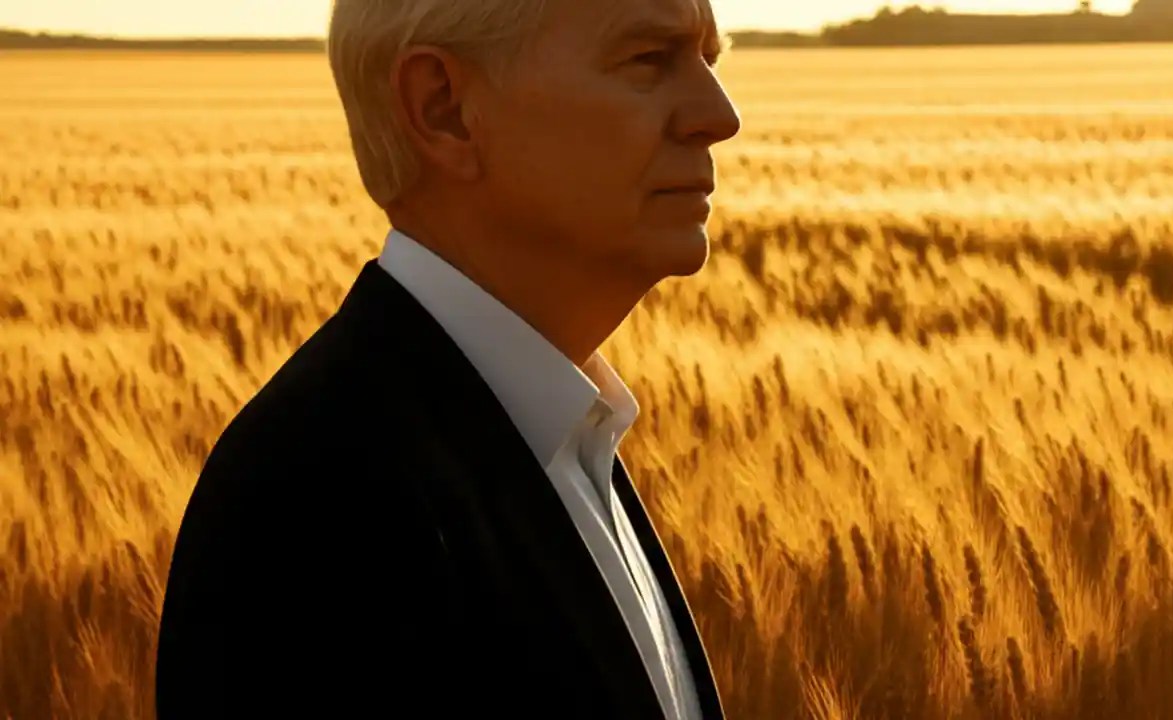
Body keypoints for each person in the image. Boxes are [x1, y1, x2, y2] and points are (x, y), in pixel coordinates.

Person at [154, 0, 741, 717]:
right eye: (648, 59)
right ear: (444, 110)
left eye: (709, 60)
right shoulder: (316, 499)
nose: (720, 115)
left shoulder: (562, 434)